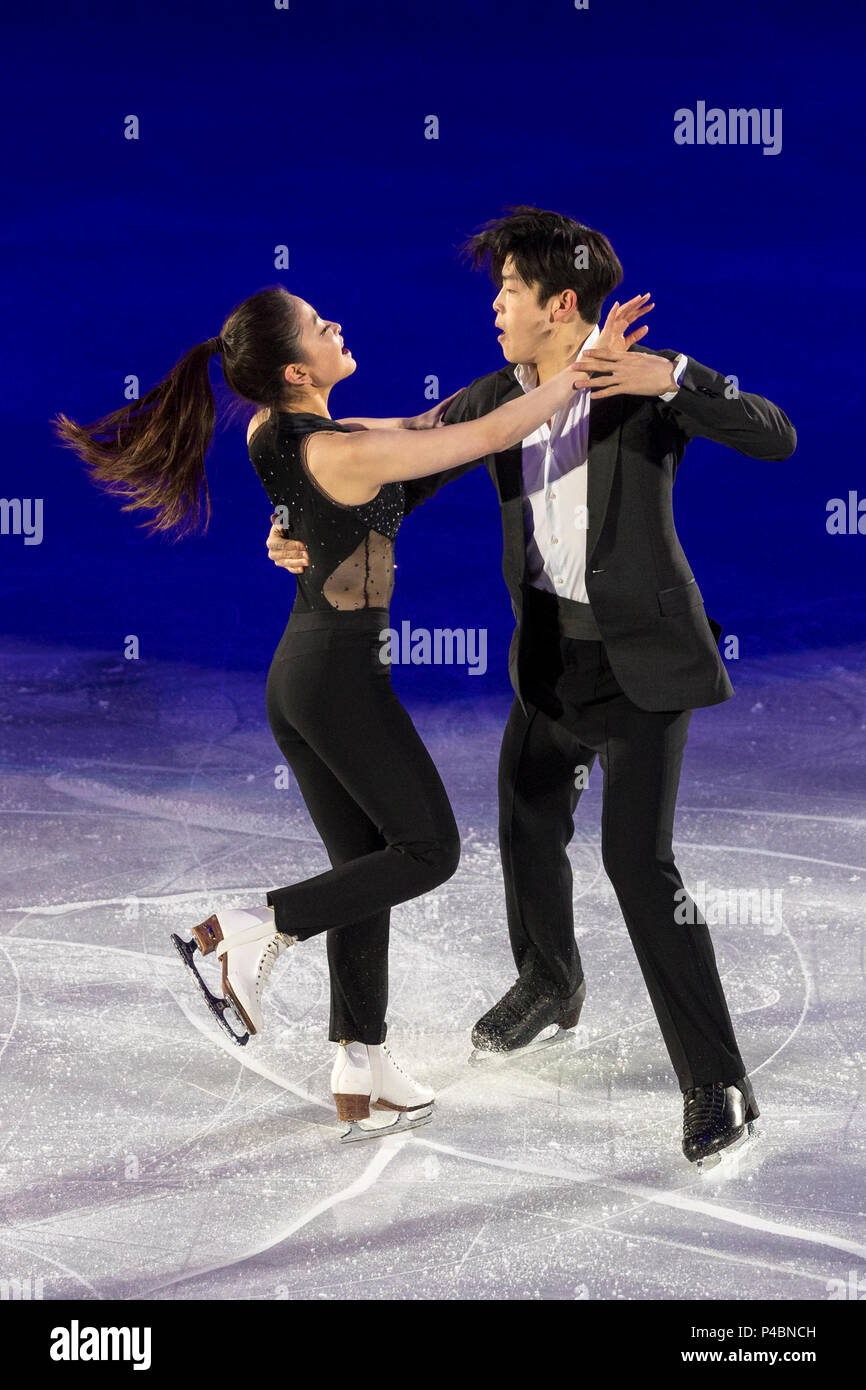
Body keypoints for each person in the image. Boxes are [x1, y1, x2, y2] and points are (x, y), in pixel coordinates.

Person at [267, 206, 797, 1168]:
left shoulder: (641, 379)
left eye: (508, 290)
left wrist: (677, 377)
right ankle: (552, 982)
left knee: (638, 865)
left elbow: (776, 437)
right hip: (551, 660)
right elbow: (392, 478)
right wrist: (303, 527)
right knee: (525, 815)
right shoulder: (497, 397)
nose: (495, 306)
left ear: (560, 304)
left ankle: (718, 1082)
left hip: (644, 664)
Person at [50, 281, 616, 1142]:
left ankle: (363, 1065)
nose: (337, 324)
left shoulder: (272, 433)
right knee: (428, 850)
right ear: (296, 370)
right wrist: (580, 370)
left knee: (365, 867)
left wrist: (528, 370)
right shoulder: (343, 451)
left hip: (302, 678)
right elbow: (486, 436)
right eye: (319, 326)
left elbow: (426, 427)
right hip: (340, 681)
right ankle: (252, 930)